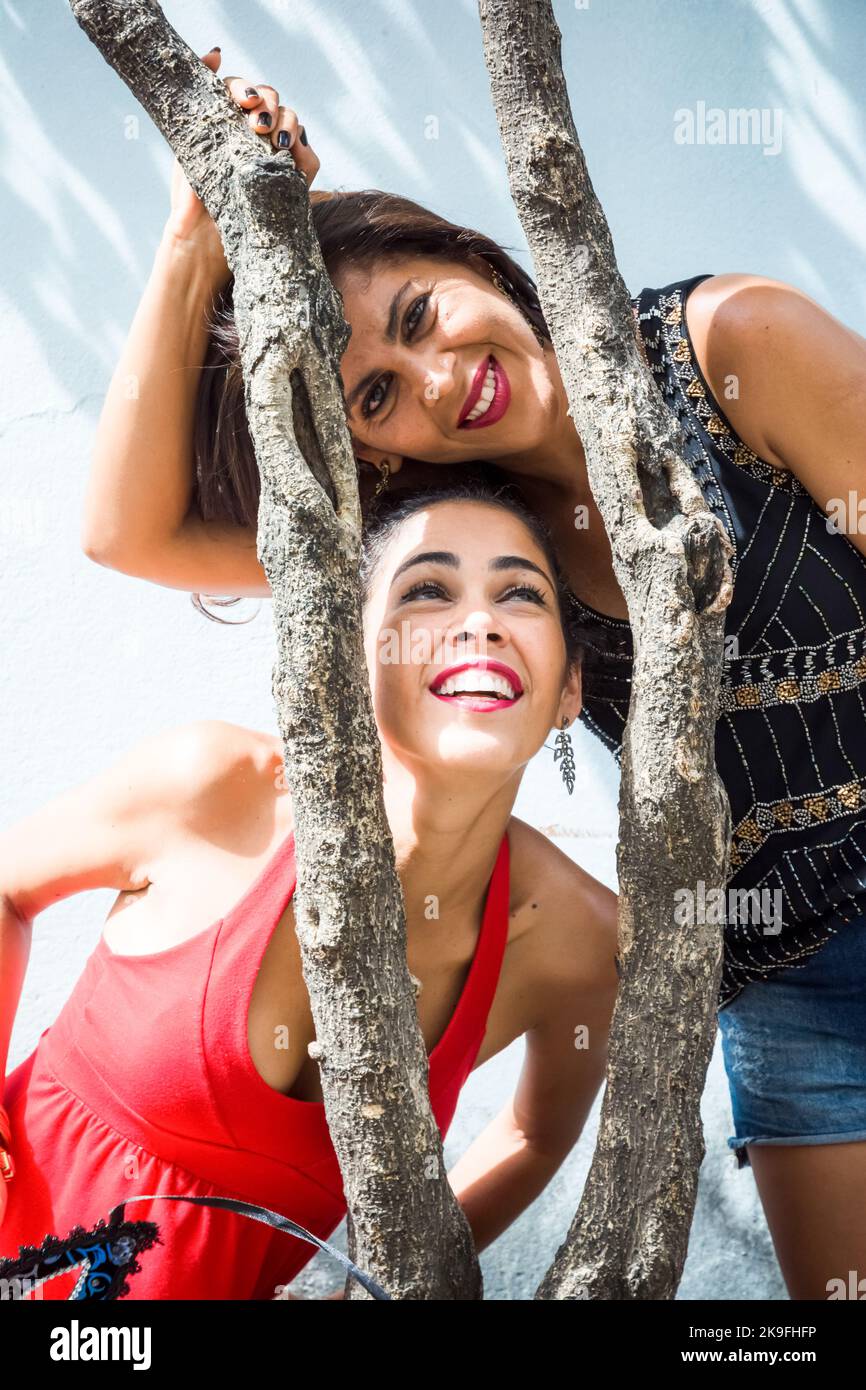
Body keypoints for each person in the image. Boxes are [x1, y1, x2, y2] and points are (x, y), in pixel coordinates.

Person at [80, 52, 866, 1300]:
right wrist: (192, 237)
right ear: (373, 451)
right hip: (786, 977)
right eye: (381, 396)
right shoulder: (477, 536)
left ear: (473, 261)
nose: (440, 380)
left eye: (416, 317)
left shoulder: (729, 349)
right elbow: (129, 533)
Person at [0, 481, 619, 1299]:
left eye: (521, 594)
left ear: (570, 686)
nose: (481, 622)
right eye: (429, 589)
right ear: (346, 652)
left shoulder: (576, 937)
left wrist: (378, 1285)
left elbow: (537, 1136)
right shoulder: (217, 787)